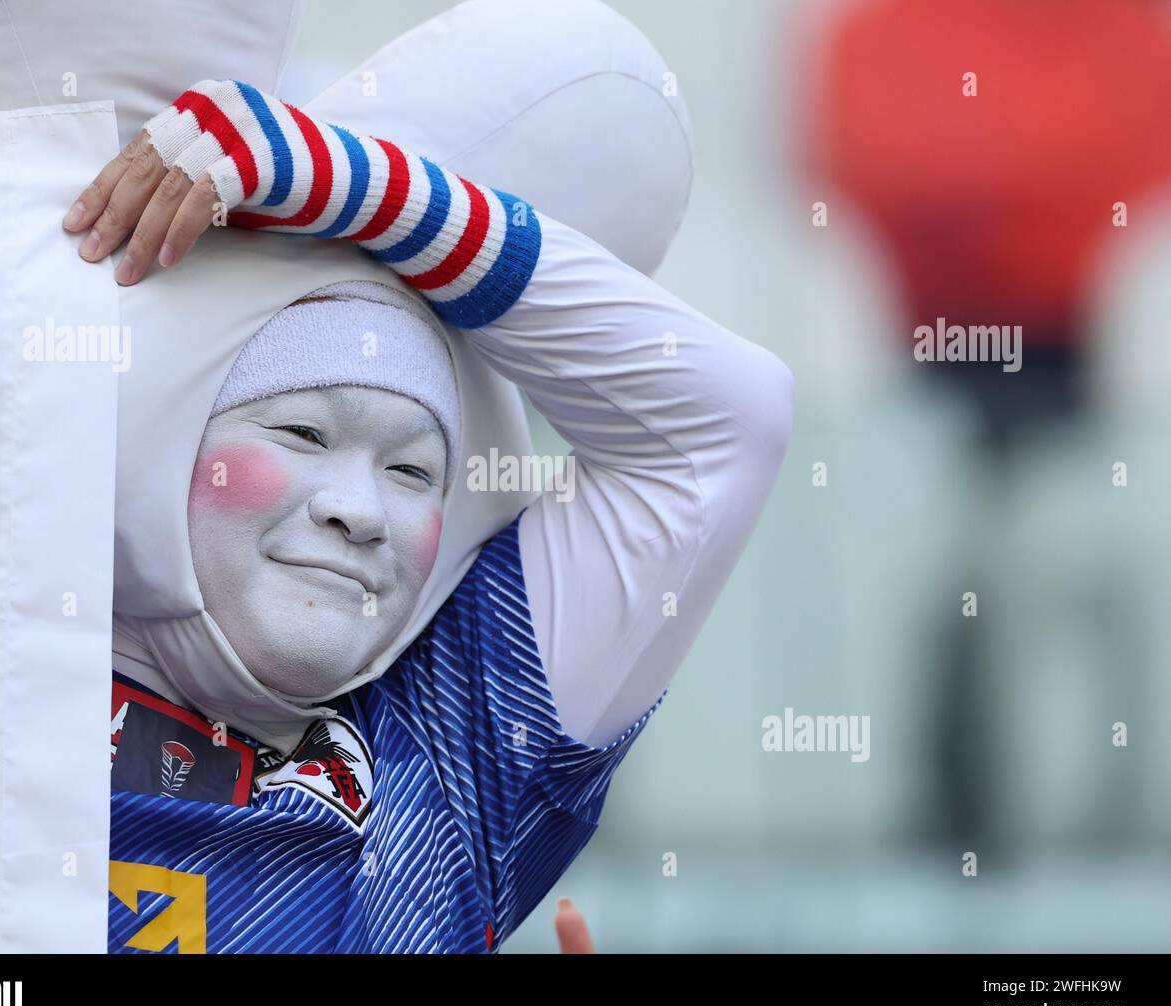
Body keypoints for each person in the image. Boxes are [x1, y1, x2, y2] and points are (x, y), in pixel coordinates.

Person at [69, 77, 793, 953]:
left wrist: (355, 185)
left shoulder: (447, 753)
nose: (359, 510)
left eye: (415, 472)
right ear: (161, 441)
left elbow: (723, 425)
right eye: (301, 431)